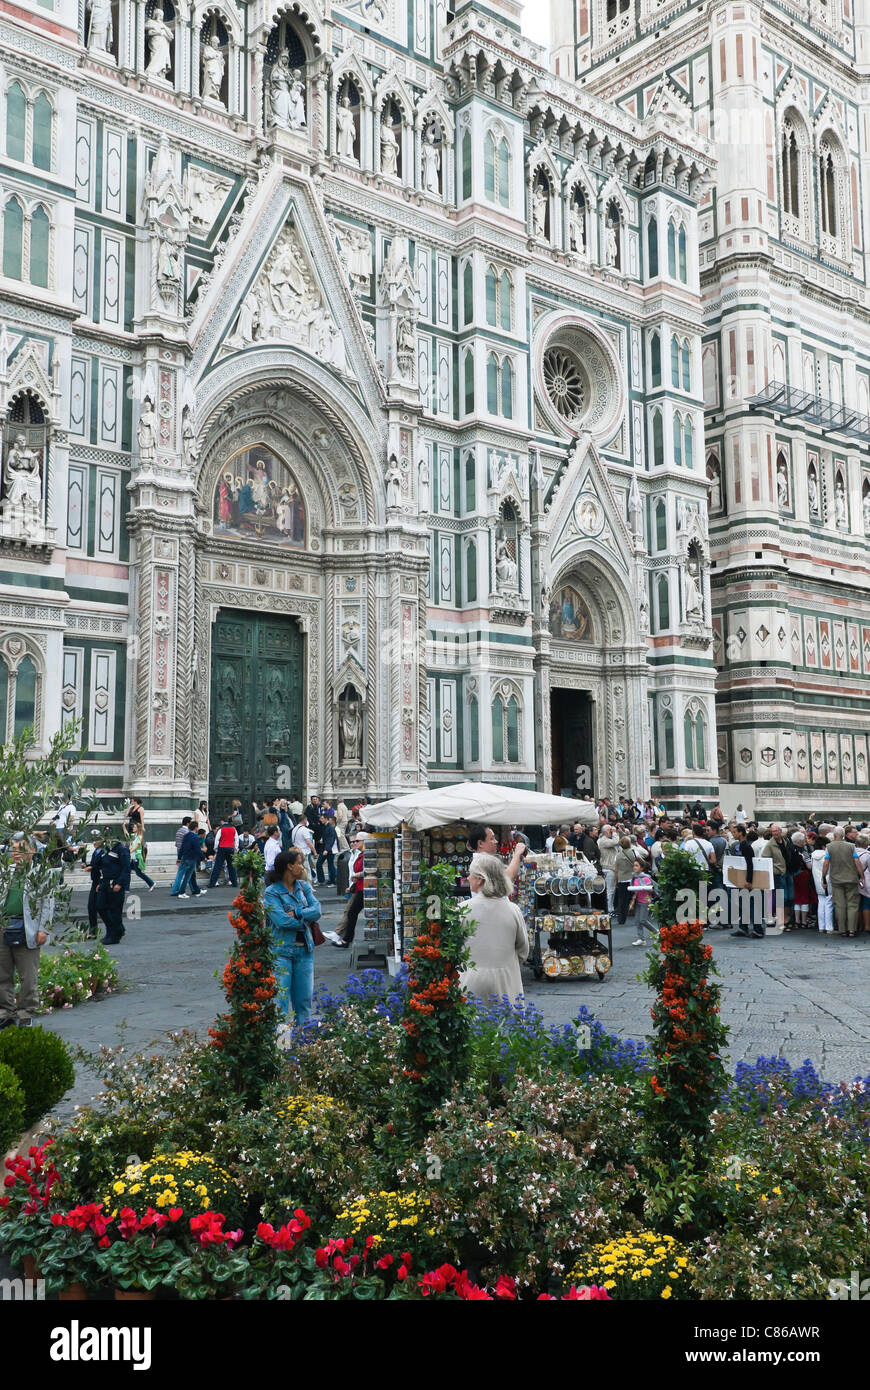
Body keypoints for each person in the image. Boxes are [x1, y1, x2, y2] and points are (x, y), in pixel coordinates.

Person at [0, 833, 55, 1028]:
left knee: (28, 976)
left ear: (32, 850)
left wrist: (44, 929)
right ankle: (5, 1012)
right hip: (4, 927)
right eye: (13, 849)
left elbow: (47, 903)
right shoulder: (6, 871)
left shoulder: (42, 873)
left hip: (28, 929)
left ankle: (25, 1013)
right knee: (2, 973)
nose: (16, 854)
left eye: (21, 849)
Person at [459, 853, 528, 1002]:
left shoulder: (462, 910)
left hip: (469, 982)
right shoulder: (513, 910)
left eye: (470, 874)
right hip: (506, 983)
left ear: (479, 879)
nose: (468, 878)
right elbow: (523, 951)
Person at [264, 849, 322, 1026]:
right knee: (279, 1004)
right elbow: (281, 921)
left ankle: (303, 1046)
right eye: (300, 863)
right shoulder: (271, 892)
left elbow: (318, 910)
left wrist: (296, 913)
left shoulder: (303, 887)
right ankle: (282, 1046)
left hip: (305, 950)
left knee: (304, 1002)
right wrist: (305, 919)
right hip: (281, 952)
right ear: (290, 867)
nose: (302, 866)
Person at [325, 832, 366, 948]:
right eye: (353, 841)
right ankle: (343, 937)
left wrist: (357, 875)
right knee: (350, 912)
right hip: (358, 887)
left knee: (351, 912)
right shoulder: (358, 855)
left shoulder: (364, 855)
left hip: (363, 888)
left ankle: (345, 938)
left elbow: (370, 870)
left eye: (357, 841)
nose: (355, 843)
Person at [822, 828, 863, 938]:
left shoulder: (829, 847)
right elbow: (857, 861)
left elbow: (826, 863)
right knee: (852, 904)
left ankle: (842, 929)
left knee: (840, 905)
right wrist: (862, 876)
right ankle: (852, 930)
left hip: (836, 879)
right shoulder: (851, 846)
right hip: (851, 879)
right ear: (844, 835)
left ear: (834, 835)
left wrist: (823, 877)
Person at [93, 833, 131, 944]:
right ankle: (115, 930)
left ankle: (113, 935)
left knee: (115, 910)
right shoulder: (106, 850)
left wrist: (119, 883)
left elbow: (126, 868)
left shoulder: (121, 849)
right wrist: (100, 882)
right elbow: (102, 867)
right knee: (100, 906)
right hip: (105, 882)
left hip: (115, 883)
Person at [731, 824, 763, 939]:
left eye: (734, 832)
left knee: (750, 904)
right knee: (744, 904)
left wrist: (749, 881)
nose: (732, 834)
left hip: (746, 880)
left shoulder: (745, 846)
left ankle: (757, 929)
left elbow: (750, 863)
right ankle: (743, 928)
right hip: (742, 879)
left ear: (740, 832)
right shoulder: (742, 845)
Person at [171, 825, 208, 900]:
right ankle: (182, 892)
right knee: (188, 877)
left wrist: (179, 858)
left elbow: (181, 848)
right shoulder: (195, 837)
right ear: (196, 828)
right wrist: (203, 858)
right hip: (191, 858)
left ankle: (196, 891)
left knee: (190, 876)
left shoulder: (186, 836)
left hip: (185, 857)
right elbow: (197, 849)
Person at [628, 859, 655, 947]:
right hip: (637, 900)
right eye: (634, 865)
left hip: (646, 901)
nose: (634, 867)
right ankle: (641, 939)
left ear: (642, 868)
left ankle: (656, 932)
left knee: (643, 920)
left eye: (637, 866)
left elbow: (651, 890)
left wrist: (645, 888)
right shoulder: (634, 878)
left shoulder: (646, 878)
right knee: (637, 921)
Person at [811, 835, 833, 934]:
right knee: (829, 904)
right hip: (827, 881)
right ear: (824, 845)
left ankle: (821, 926)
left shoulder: (813, 855)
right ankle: (829, 927)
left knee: (821, 903)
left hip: (817, 881)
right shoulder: (827, 855)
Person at [210, 819, 239, 888]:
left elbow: (217, 840)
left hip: (222, 848)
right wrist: (235, 849)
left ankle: (212, 883)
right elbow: (236, 840)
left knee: (217, 866)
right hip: (231, 848)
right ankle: (234, 883)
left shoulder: (221, 830)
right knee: (232, 867)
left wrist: (216, 849)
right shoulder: (234, 830)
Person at [614, 836, 637, 925]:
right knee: (635, 898)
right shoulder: (634, 852)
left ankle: (621, 919)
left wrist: (616, 881)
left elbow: (616, 870)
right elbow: (641, 861)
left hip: (621, 879)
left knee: (622, 900)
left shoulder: (617, 856)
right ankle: (636, 916)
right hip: (632, 878)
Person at [317, 812, 338, 886]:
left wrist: (326, 849)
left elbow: (331, 839)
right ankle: (322, 880)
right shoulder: (325, 827)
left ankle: (333, 881)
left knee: (330, 865)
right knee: (320, 864)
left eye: (322, 818)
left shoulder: (330, 828)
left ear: (326, 819)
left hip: (330, 849)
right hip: (326, 848)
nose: (320, 820)